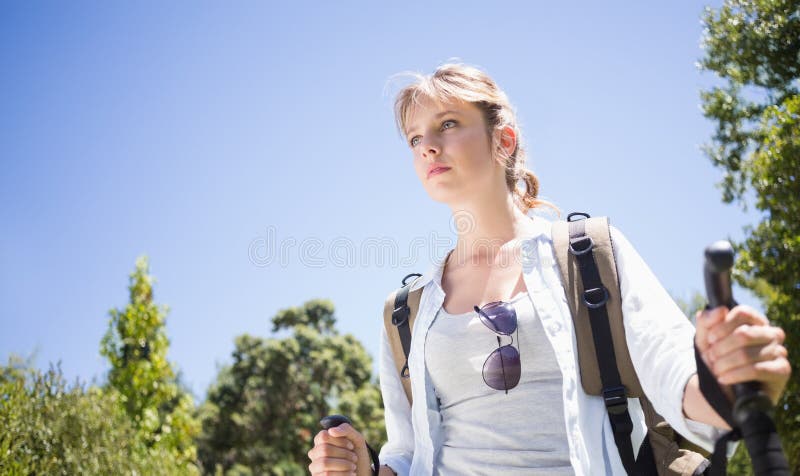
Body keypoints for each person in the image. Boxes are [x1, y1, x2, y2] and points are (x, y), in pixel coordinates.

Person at [307, 63, 791, 476]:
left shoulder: (591, 257)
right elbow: (409, 454)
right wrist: (365, 467)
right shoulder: (403, 314)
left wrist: (732, 378)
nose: (428, 146)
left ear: (504, 141)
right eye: (415, 138)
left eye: (449, 124)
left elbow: (680, 382)